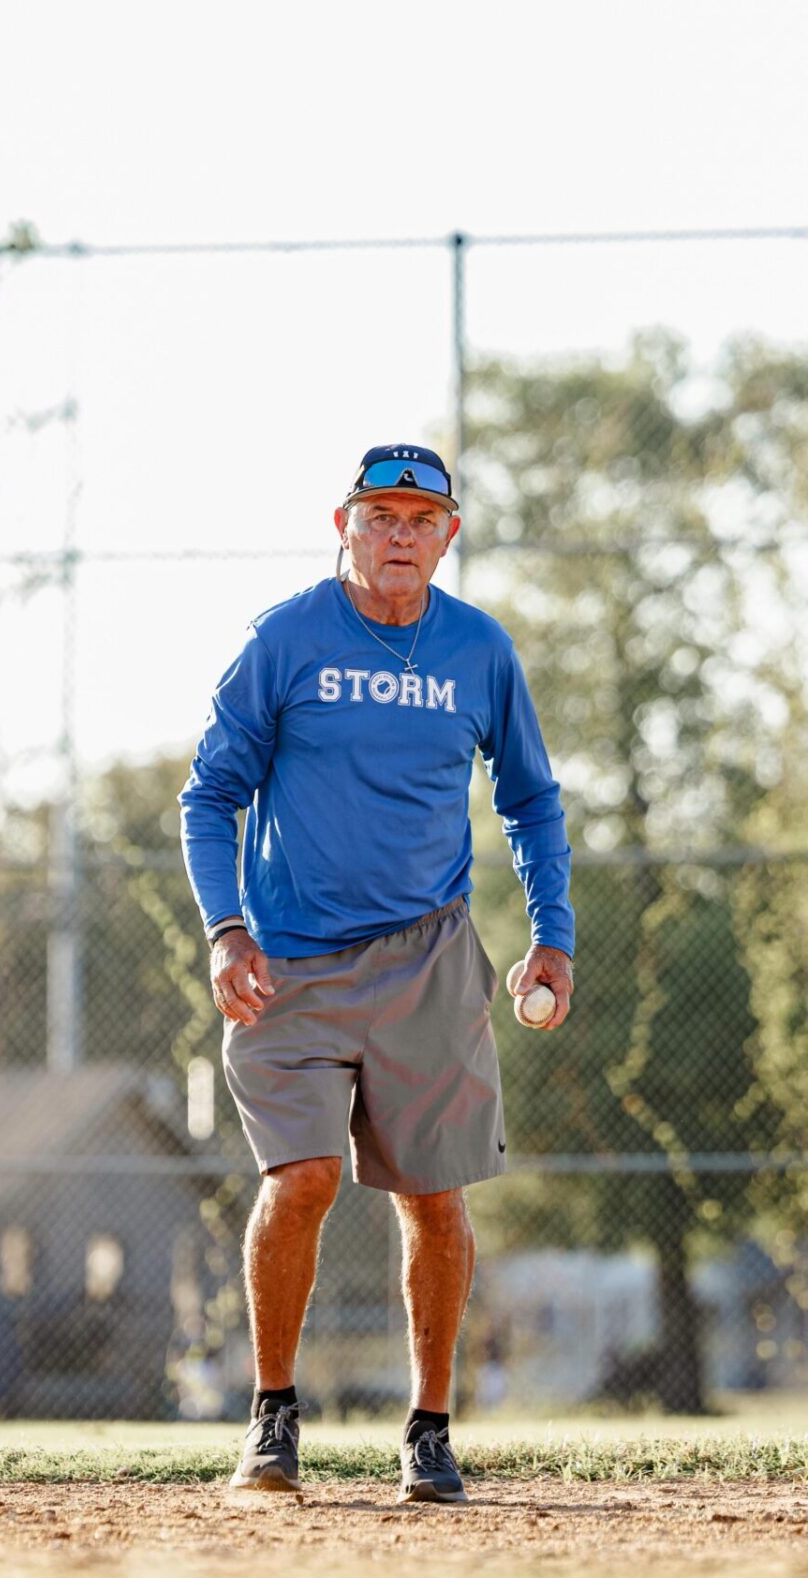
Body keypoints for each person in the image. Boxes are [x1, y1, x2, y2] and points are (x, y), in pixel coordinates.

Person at [180, 443, 575, 1502]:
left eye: (421, 517)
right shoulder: (288, 637)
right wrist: (226, 929)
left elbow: (531, 799)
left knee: (435, 1198)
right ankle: (272, 1418)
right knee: (300, 1179)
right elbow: (209, 793)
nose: (400, 534)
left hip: (429, 957)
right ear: (343, 524)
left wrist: (552, 930)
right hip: (289, 956)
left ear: (449, 534)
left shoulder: (479, 650)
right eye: (380, 515)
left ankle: (430, 1428)